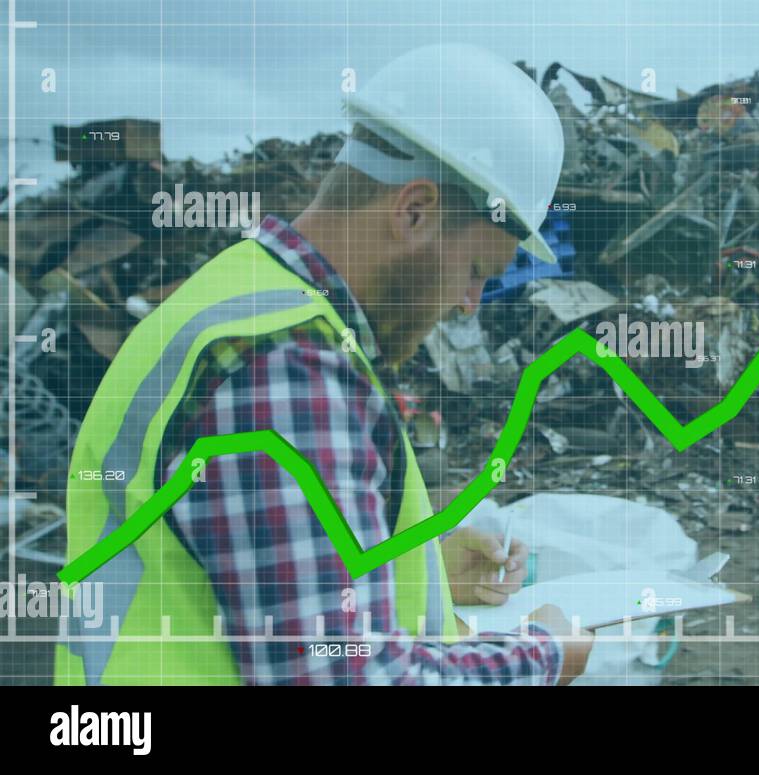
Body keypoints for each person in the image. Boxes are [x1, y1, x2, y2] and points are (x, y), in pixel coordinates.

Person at [56, 43, 593, 685]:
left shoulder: (237, 296)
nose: (466, 305)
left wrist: (404, 567)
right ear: (414, 212)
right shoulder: (287, 365)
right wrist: (546, 655)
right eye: (476, 271)